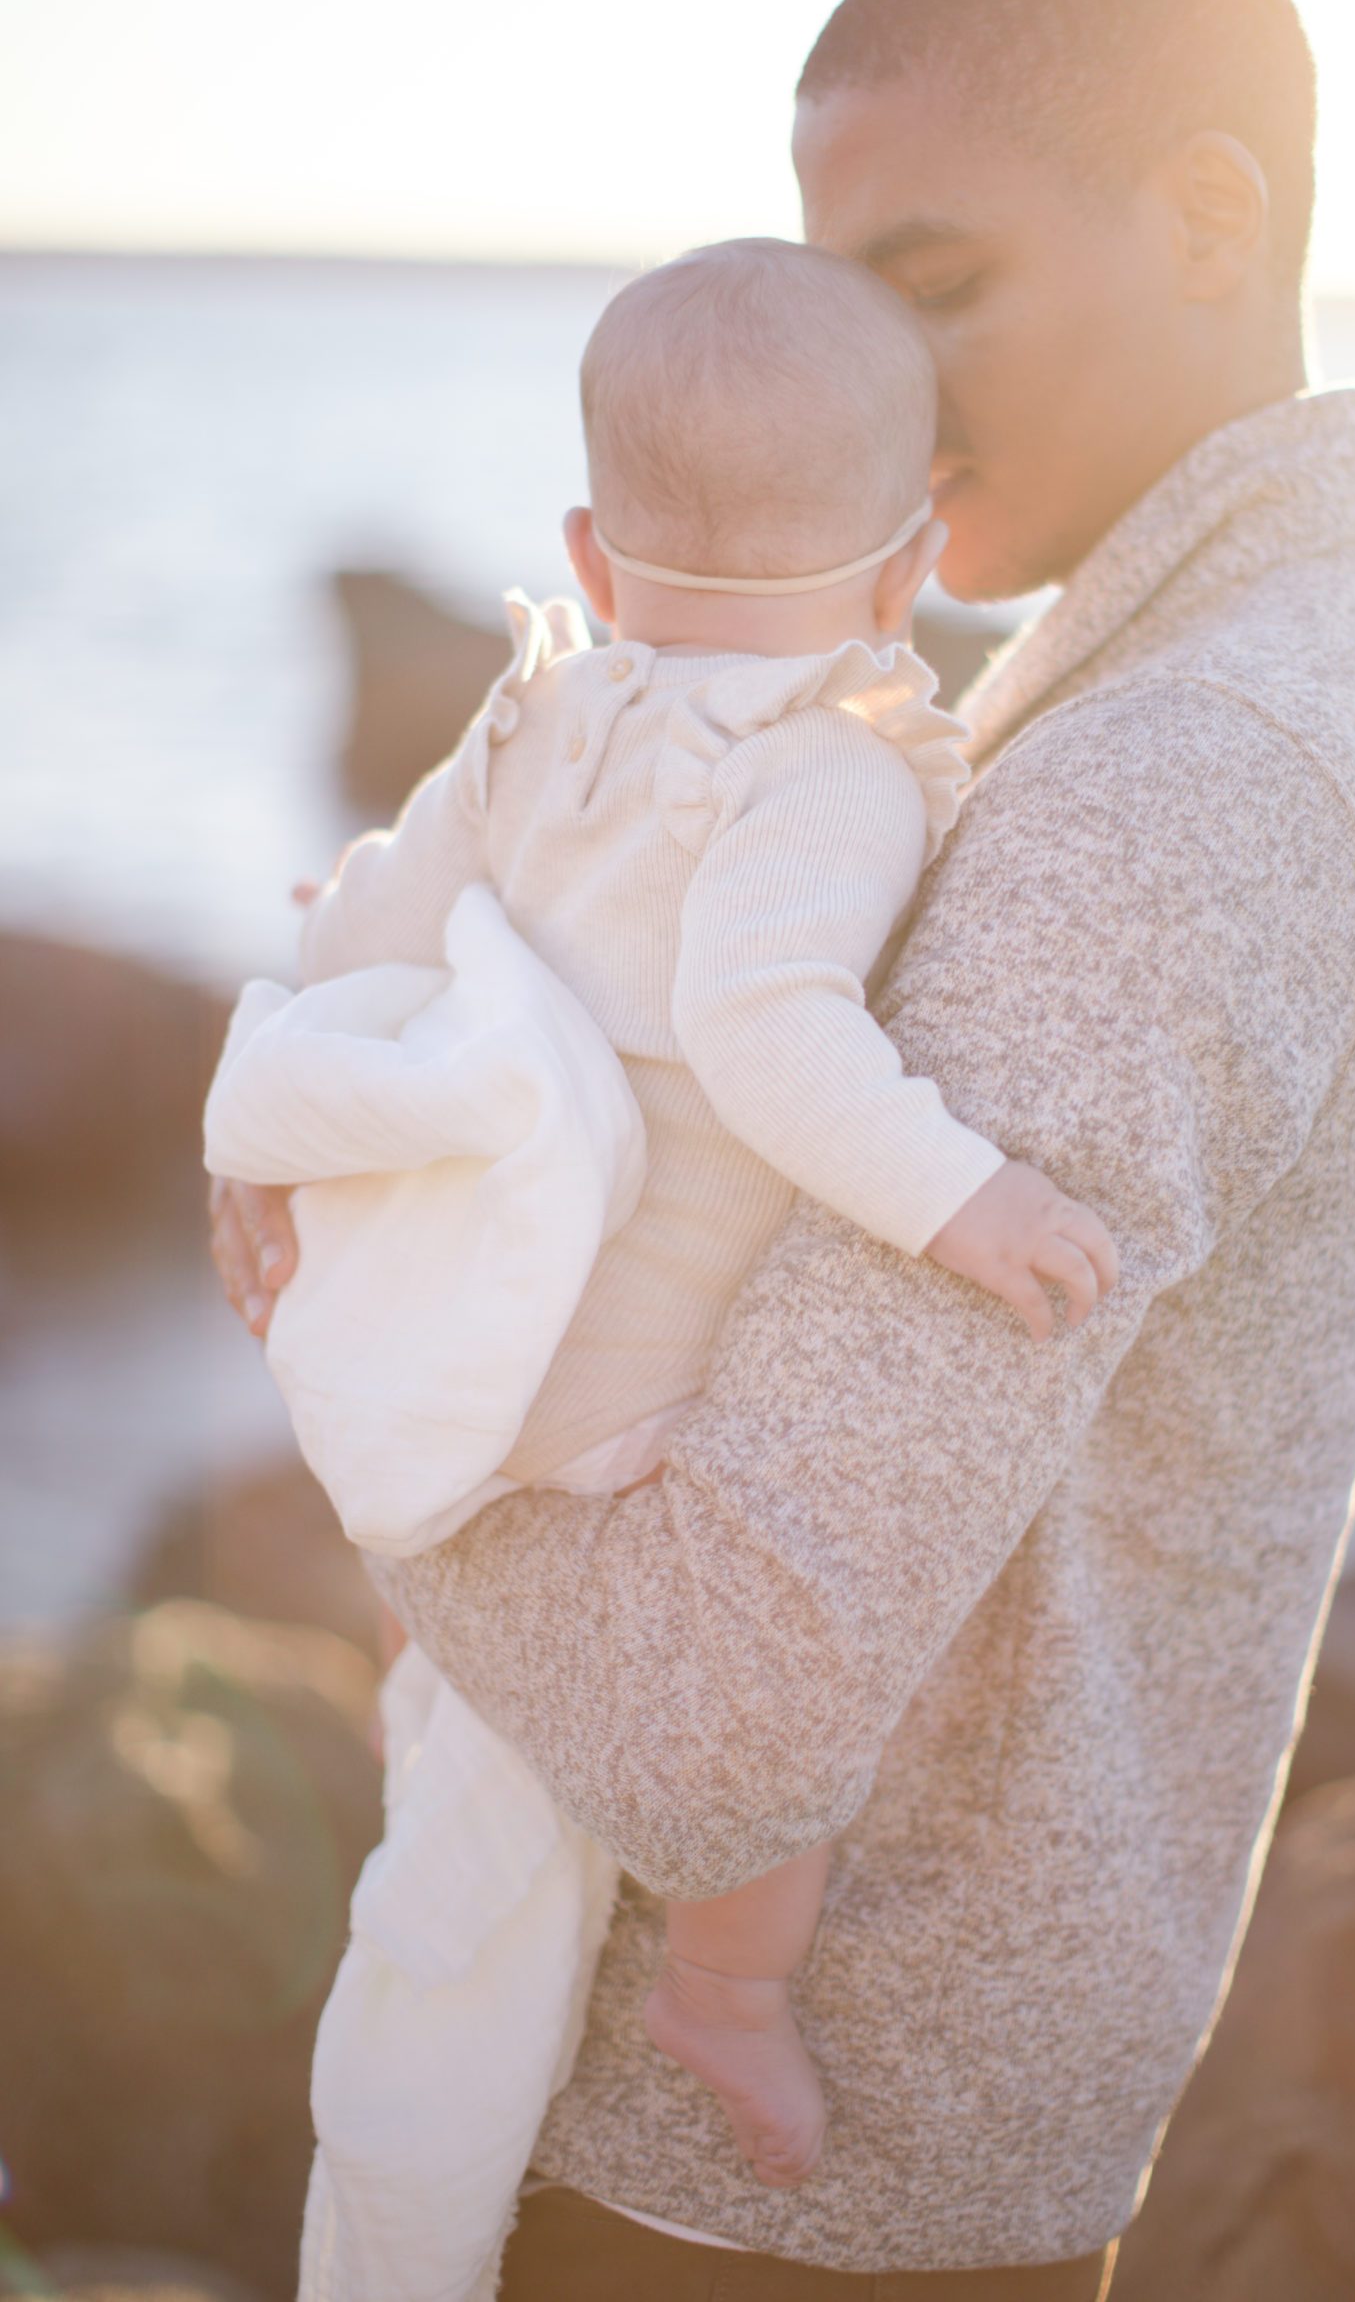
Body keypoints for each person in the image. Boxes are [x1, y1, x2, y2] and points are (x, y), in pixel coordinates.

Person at [212, 0, 1355, 2297]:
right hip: (825, 2145)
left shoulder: (1180, 780)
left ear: (1206, 215)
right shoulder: (1130, 675)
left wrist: (371, 1354)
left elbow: (705, 1714)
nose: (846, 355)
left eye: (930, 275)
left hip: (772, 2178)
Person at [206, 237, 1117, 2281]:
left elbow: (375, 923)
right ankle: (724, 1972)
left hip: (454, 1323)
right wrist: (965, 1196)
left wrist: (288, 1054)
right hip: (611, 1376)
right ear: (906, 574)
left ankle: (439, 1673)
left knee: (471, 1705)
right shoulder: (829, 769)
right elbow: (772, 1033)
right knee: (788, 1683)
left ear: (588, 555)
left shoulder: (535, 708)